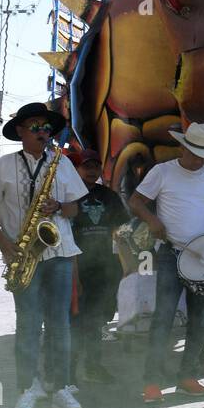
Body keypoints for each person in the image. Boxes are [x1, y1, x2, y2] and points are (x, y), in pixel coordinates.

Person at [0, 102, 87, 408]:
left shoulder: (61, 164)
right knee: (27, 324)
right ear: (22, 132)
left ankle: (61, 387)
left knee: (60, 324)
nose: (43, 133)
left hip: (59, 252)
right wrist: (5, 245)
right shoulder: (3, 165)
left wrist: (58, 207)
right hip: (23, 253)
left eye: (46, 128)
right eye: (35, 127)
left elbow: (75, 210)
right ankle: (28, 388)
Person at [128, 122, 204, 404]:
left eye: (203, 153)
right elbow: (136, 201)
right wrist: (153, 220)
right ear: (183, 147)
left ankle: (187, 377)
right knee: (163, 318)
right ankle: (152, 382)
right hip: (170, 253)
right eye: (194, 151)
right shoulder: (162, 172)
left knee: (200, 320)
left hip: (203, 258)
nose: (198, 158)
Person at [69, 148, 128, 384]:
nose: (91, 170)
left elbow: (122, 229)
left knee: (95, 321)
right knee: (73, 322)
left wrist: (128, 265)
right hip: (75, 267)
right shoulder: (68, 195)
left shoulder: (109, 196)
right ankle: (68, 373)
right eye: (86, 166)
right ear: (77, 169)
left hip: (104, 268)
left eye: (95, 166)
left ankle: (93, 367)